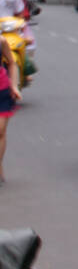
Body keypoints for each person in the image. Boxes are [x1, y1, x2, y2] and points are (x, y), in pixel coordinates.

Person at [0, 31, 22, 185]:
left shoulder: (1, 41)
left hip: (2, 90)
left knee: (0, 131)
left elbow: (12, 63)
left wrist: (14, 85)